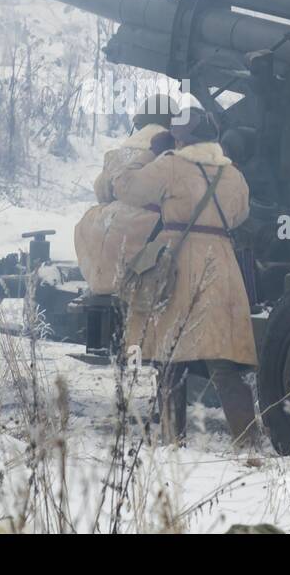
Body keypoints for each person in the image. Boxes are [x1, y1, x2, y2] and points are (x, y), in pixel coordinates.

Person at [111, 107, 260, 446]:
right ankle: (248, 440)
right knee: (224, 360)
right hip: (223, 264)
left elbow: (125, 187)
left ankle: (172, 438)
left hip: (178, 261)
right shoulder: (233, 175)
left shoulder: (171, 165)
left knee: (169, 356)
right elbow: (240, 216)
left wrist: (151, 152)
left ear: (180, 137)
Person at [74, 96, 180, 294]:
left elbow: (102, 192)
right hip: (147, 238)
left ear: (139, 122)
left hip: (109, 237)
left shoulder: (120, 153)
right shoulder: (171, 152)